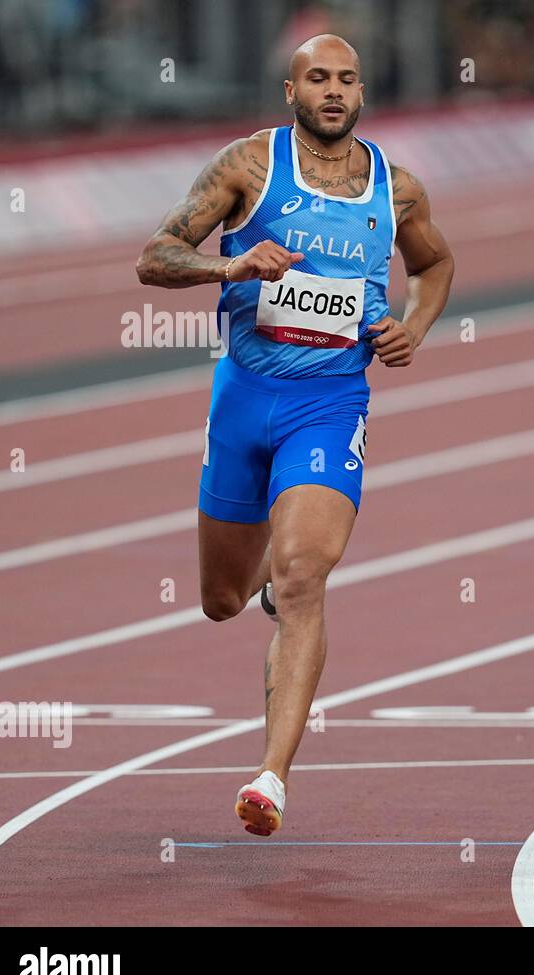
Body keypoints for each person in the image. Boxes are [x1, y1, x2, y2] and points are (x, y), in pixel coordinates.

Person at [136, 34, 454, 836]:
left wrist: (414, 325)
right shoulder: (248, 167)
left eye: (348, 78)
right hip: (243, 400)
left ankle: (271, 775)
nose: (335, 91)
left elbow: (437, 263)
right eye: (319, 78)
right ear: (291, 90)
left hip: (330, 404)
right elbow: (156, 256)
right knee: (219, 600)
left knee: (306, 574)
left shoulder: (398, 188)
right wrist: (231, 269)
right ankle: (262, 585)